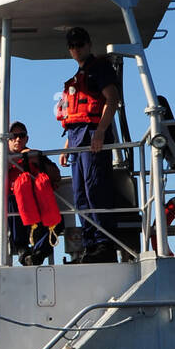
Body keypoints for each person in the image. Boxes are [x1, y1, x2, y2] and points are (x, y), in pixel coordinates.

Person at [56, 27, 121, 263]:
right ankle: (90, 244)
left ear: (89, 44)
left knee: (96, 189)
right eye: (72, 45)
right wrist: (66, 145)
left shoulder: (99, 69)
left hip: (93, 135)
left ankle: (104, 244)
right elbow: (76, 115)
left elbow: (112, 99)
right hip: (76, 138)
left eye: (80, 44)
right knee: (80, 194)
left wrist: (101, 132)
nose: (76, 48)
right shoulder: (77, 77)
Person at [5, 122, 64, 265]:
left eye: (21, 135)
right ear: (7, 139)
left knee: (58, 221)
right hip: (17, 206)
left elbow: (56, 175)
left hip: (38, 204)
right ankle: (22, 251)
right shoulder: (1, 159)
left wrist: (37, 161)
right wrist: (12, 160)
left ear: (27, 138)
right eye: (14, 136)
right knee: (13, 202)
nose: (18, 139)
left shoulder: (36, 155)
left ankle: (37, 255)